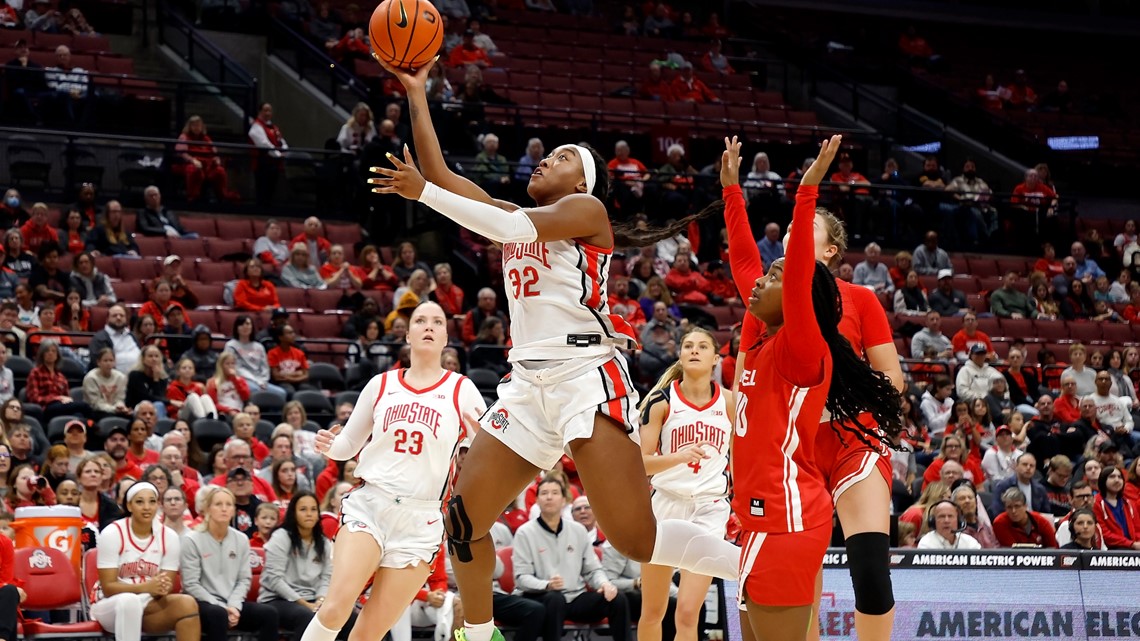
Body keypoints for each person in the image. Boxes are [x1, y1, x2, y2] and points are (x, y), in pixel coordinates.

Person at [367, 59, 743, 641]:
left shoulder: (586, 214)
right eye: (549, 153)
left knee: (634, 540)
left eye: (564, 156)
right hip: (526, 385)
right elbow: (438, 174)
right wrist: (417, 92)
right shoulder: (518, 215)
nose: (547, 157)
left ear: (582, 183)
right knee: (463, 521)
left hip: (585, 373)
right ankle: (479, 633)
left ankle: (750, 562)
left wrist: (426, 193)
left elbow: (499, 227)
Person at [721, 135, 903, 641]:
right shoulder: (768, 312)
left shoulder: (854, 301)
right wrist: (731, 194)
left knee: (869, 567)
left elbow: (894, 380)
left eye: (800, 240)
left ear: (828, 249)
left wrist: (807, 190)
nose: (785, 252)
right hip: (793, 449)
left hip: (850, 437)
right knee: (801, 580)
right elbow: (744, 266)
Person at [297, 302, 485, 641]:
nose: (429, 326)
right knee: (336, 606)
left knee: (369, 633)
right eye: (420, 321)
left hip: (423, 520)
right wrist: (330, 445)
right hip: (372, 504)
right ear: (408, 334)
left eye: (437, 322)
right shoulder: (381, 384)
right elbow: (348, 446)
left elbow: (486, 449)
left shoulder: (462, 389)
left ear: (445, 337)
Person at [637, 327, 732, 641]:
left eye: (703, 346)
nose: (694, 350)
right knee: (653, 612)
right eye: (688, 345)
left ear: (715, 358)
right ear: (679, 354)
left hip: (709, 508)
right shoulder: (661, 401)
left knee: (689, 613)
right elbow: (639, 461)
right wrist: (677, 458)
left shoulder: (730, 403)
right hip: (666, 504)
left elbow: (743, 462)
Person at [90, 481, 201, 641]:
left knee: (187, 604)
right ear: (129, 506)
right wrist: (146, 587)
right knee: (129, 601)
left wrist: (159, 587)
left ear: (158, 505)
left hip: (148, 604)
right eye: (140, 502)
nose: (147, 507)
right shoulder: (112, 533)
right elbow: (108, 588)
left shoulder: (169, 536)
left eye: (152, 501)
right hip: (109, 606)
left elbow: (165, 587)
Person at [182, 486, 279, 641]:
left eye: (228, 504)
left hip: (232, 603)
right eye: (218, 504)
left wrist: (234, 606)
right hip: (203, 603)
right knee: (218, 615)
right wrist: (222, 608)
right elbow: (191, 584)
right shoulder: (192, 539)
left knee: (268, 613)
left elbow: (244, 579)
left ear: (234, 510)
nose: (224, 509)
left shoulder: (241, 539)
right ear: (207, 509)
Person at [260, 491, 353, 641]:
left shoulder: (323, 542)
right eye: (303, 509)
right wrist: (303, 603)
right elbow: (275, 579)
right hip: (278, 600)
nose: (309, 514)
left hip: (313, 600)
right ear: (293, 513)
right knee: (308, 618)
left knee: (349, 617)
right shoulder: (280, 537)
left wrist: (321, 600)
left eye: (313, 509)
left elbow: (327, 577)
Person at [1092, 467, 1140, 550]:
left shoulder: (1129, 503)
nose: (1117, 480)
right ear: (1103, 480)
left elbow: (1137, 529)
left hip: (1132, 546)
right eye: (1112, 477)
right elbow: (1104, 533)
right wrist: (1131, 544)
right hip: (1111, 549)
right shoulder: (1095, 503)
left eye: (1120, 477)